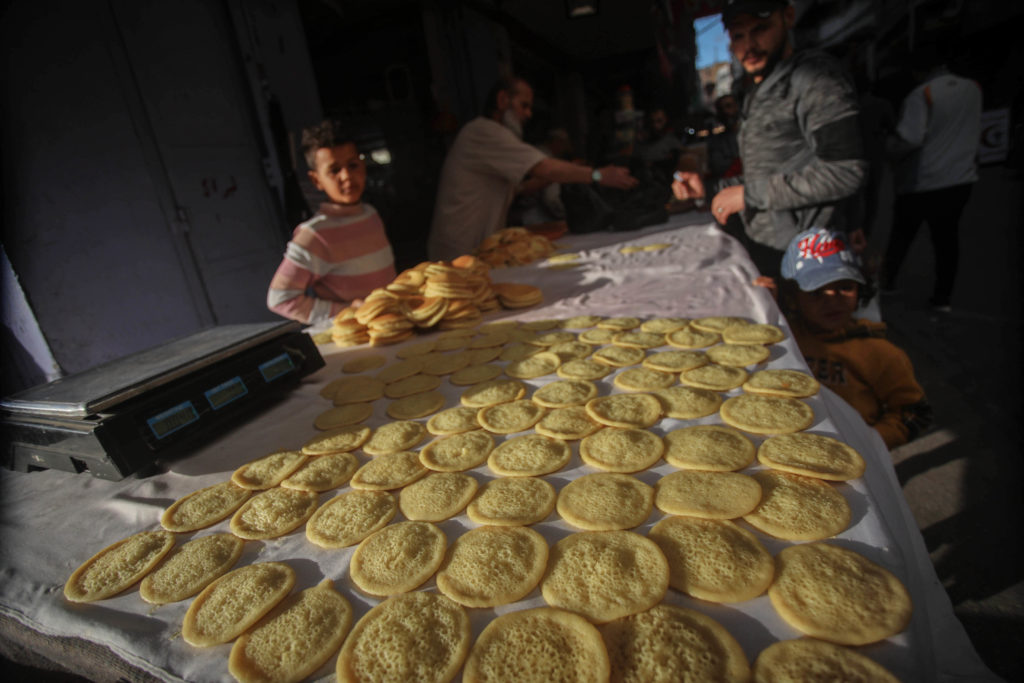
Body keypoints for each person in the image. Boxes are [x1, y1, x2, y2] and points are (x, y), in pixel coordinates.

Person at [671, 0, 867, 277]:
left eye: (760, 29)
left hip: (807, 257)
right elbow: (768, 174)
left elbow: (845, 171)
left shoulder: (814, 79)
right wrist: (709, 188)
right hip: (767, 249)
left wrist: (749, 195)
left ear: (788, 16)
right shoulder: (758, 90)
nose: (749, 46)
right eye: (738, 36)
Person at [427, 76, 638, 261]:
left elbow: (522, 188)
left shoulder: (491, 140)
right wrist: (598, 175)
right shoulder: (483, 131)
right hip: (457, 252)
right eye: (524, 105)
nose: (528, 114)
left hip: (477, 251)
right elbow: (543, 167)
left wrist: (568, 173)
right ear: (502, 100)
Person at [771, 227, 932, 449]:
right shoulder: (786, 336)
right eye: (816, 292)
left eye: (845, 287)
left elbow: (915, 413)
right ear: (792, 297)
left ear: (860, 288)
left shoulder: (880, 353)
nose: (832, 299)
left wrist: (870, 443)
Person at [882, 44, 982, 311]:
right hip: (961, 179)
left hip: (923, 180)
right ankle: (942, 298)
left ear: (918, 70)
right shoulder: (973, 88)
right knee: (947, 240)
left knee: (902, 234)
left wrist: (889, 150)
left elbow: (911, 138)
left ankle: (887, 283)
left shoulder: (922, 94)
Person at [266, 120, 396, 324]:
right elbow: (280, 299)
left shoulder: (371, 214)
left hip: (393, 322)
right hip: (358, 333)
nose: (347, 176)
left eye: (352, 165)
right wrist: (347, 310)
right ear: (316, 180)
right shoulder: (315, 234)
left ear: (363, 166)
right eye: (334, 170)